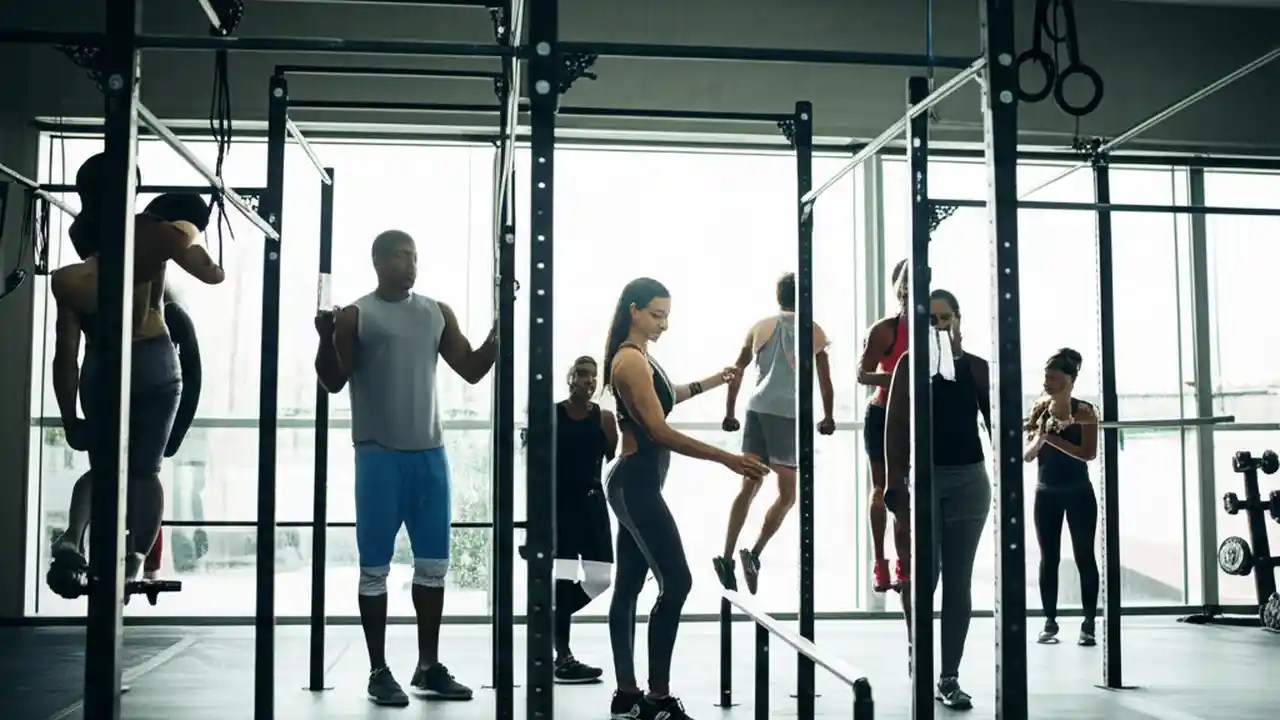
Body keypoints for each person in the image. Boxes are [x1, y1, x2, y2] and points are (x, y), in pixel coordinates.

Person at [314, 229, 496, 707]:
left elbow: (474, 368)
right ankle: (378, 671)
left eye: (414, 257)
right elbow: (333, 381)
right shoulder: (357, 314)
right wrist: (324, 338)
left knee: (433, 568)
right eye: (400, 256)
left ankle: (427, 666)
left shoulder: (436, 312)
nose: (410, 264)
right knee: (374, 570)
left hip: (429, 458)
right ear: (377, 262)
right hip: (377, 458)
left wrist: (501, 331)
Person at [47, 159, 223, 593]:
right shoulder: (157, 234)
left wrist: (70, 419)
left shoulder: (69, 280)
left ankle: (73, 537)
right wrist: (191, 231)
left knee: (103, 467)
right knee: (144, 472)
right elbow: (213, 274)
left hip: (103, 364)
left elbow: (65, 358)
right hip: (153, 360)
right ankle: (136, 557)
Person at [603, 277, 770, 720]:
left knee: (630, 586)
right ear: (634, 311)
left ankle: (627, 697)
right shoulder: (628, 362)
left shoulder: (640, 358)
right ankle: (655, 700)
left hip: (638, 483)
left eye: (667, 316)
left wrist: (716, 380)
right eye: (657, 315)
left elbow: (666, 398)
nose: (664, 324)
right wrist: (726, 459)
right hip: (634, 483)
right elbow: (657, 430)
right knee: (676, 582)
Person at [884, 288, 991, 711]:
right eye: (931, 319)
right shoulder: (911, 367)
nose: (940, 325)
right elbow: (894, 428)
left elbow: (997, 424)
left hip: (969, 483)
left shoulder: (976, 368)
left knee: (958, 581)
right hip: (924, 483)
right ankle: (920, 655)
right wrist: (894, 484)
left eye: (945, 318)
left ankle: (949, 676)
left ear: (958, 320)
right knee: (923, 578)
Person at [714, 271, 835, 594]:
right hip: (789, 415)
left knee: (749, 484)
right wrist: (829, 415)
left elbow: (736, 372)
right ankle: (753, 553)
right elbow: (825, 378)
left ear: (778, 295)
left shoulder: (760, 327)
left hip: (757, 410)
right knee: (787, 495)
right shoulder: (815, 330)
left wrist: (729, 412)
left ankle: (726, 556)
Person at [549, 355, 619, 683]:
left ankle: (549, 618)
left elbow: (609, 457)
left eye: (593, 376)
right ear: (570, 377)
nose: (588, 381)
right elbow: (537, 466)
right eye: (581, 374)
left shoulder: (604, 418)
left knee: (600, 576)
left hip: (592, 507)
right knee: (563, 579)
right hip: (561, 509)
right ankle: (562, 655)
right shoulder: (552, 414)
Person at [1023, 348, 1099, 647]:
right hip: (1047, 494)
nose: (1048, 382)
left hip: (1079, 492)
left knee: (1084, 555)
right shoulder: (1039, 409)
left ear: (1070, 379)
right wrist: (1040, 437)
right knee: (1048, 558)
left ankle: (1089, 622)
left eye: (1054, 377)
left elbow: (1088, 454)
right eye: (1046, 377)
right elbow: (1028, 456)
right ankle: (1049, 621)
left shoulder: (1085, 412)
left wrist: (1053, 438)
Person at [858, 259, 912, 591]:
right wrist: (900, 378)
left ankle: (905, 565)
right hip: (882, 414)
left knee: (905, 495)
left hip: (915, 418)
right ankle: (882, 565)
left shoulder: (934, 326)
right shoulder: (885, 329)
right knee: (881, 489)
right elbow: (862, 374)